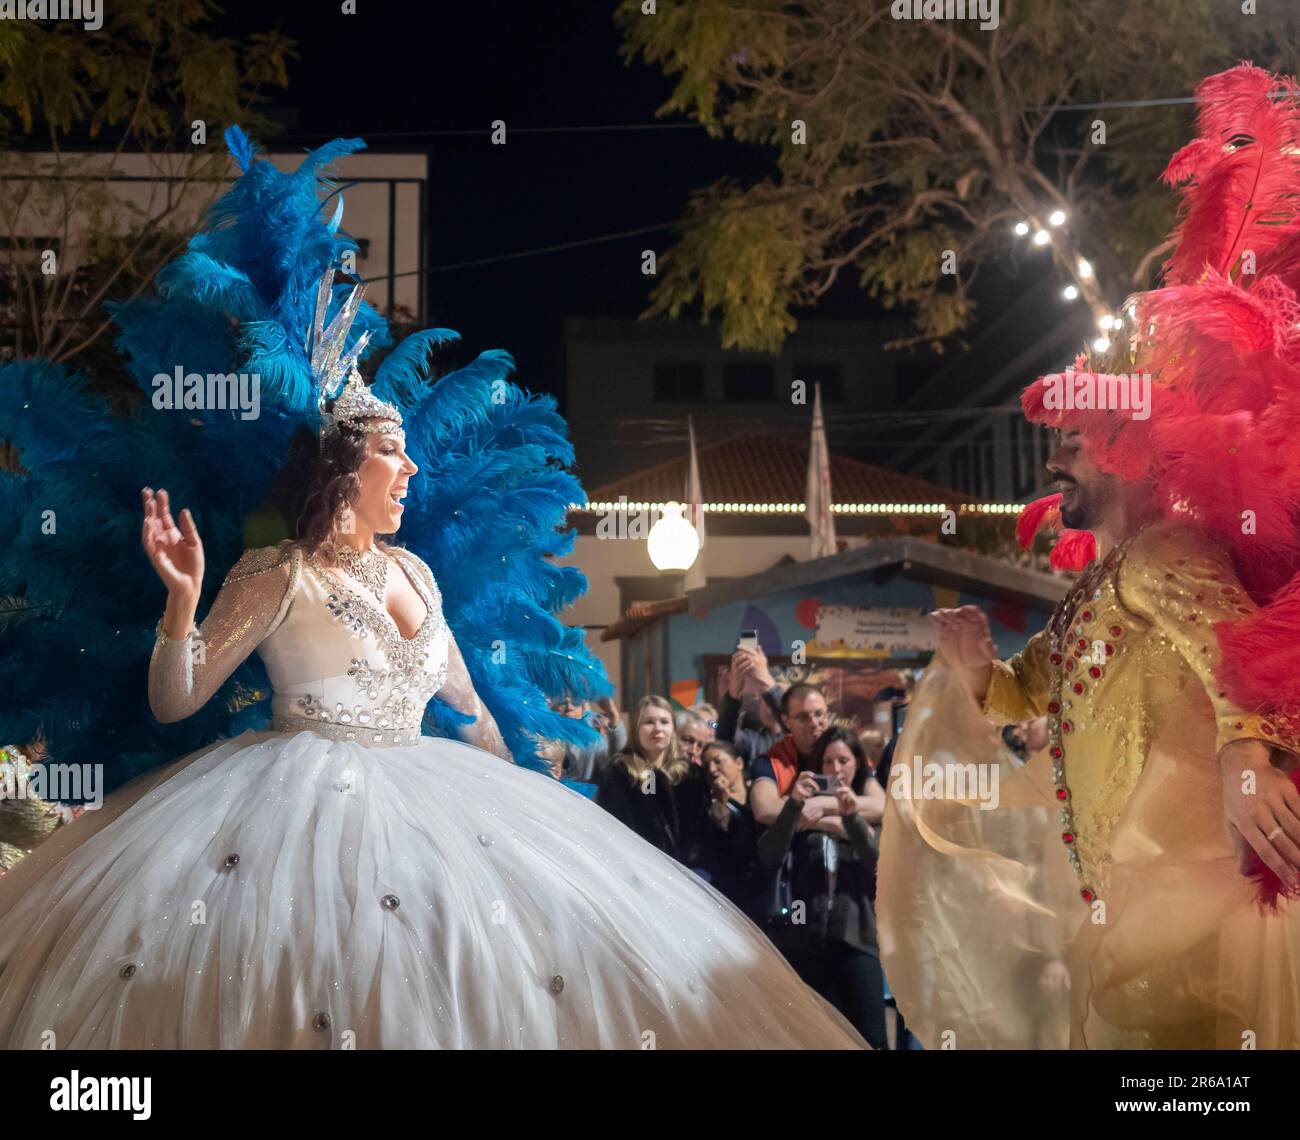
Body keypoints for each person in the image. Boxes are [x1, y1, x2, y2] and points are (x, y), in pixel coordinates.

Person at [0, 286, 866, 1050]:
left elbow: (468, 705)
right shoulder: (279, 572)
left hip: (438, 794)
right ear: (347, 467)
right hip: (286, 808)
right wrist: (183, 601)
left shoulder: (416, 573)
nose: (412, 469)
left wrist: (532, 806)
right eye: (395, 455)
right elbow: (177, 699)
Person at [878, 63, 1300, 1051]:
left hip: (1198, 913)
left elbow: (1241, 651)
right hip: (1134, 905)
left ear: (1118, 448)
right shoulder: (1094, 590)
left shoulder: (1162, 551)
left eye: (1070, 439)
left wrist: (1245, 757)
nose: (1054, 459)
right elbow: (1032, 693)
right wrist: (979, 668)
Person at [757, 727, 887, 1049]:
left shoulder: (867, 811)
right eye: (828, 761)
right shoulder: (803, 808)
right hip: (802, 938)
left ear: (858, 763)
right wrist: (794, 806)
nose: (836, 769)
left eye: (844, 760)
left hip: (857, 939)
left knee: (870, 1039)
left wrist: (849, 818)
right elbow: (768, 854)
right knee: (805, 1038)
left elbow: (877, 859)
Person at [750, 683, 886, 836]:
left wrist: (823, 805)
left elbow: (882, 805)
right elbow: (765, 810)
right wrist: (829, 823)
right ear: (786, 721)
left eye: (819, 714)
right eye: (803, 717)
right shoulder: (772, 761)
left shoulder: (847, 752)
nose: (814, 723)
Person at [595, 696, 708, 866]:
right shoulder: (621, 771)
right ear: (636, 728)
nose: (657, 729)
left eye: (664, 722)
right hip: (642, 870)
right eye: (649, 722)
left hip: (689, 872)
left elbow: (702, 828)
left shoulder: (689, 773)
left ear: (673, 728)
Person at [696, 741, 764, 921]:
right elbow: (724, 848)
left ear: (739, 763)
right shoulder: (708, 806)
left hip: (765, 887)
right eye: (706, 766)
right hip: (734, 894)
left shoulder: (761, 794)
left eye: (718, 761)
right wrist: (721, 802)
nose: (712, 769)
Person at [717, 646, 784, 766]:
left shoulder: (800, 737)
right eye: (765, 697)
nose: (769, 702)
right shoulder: (751, 740)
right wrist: (733, 695)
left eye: (772, 696)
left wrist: (766, 682)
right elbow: (724, 739)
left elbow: (789, 721)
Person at [553, 694, 625, 781]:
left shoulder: (594, 740)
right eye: (563, 701)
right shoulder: (555, 736)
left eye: (575, 700)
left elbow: (620, 755)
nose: (569, 704)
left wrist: (614, 716)